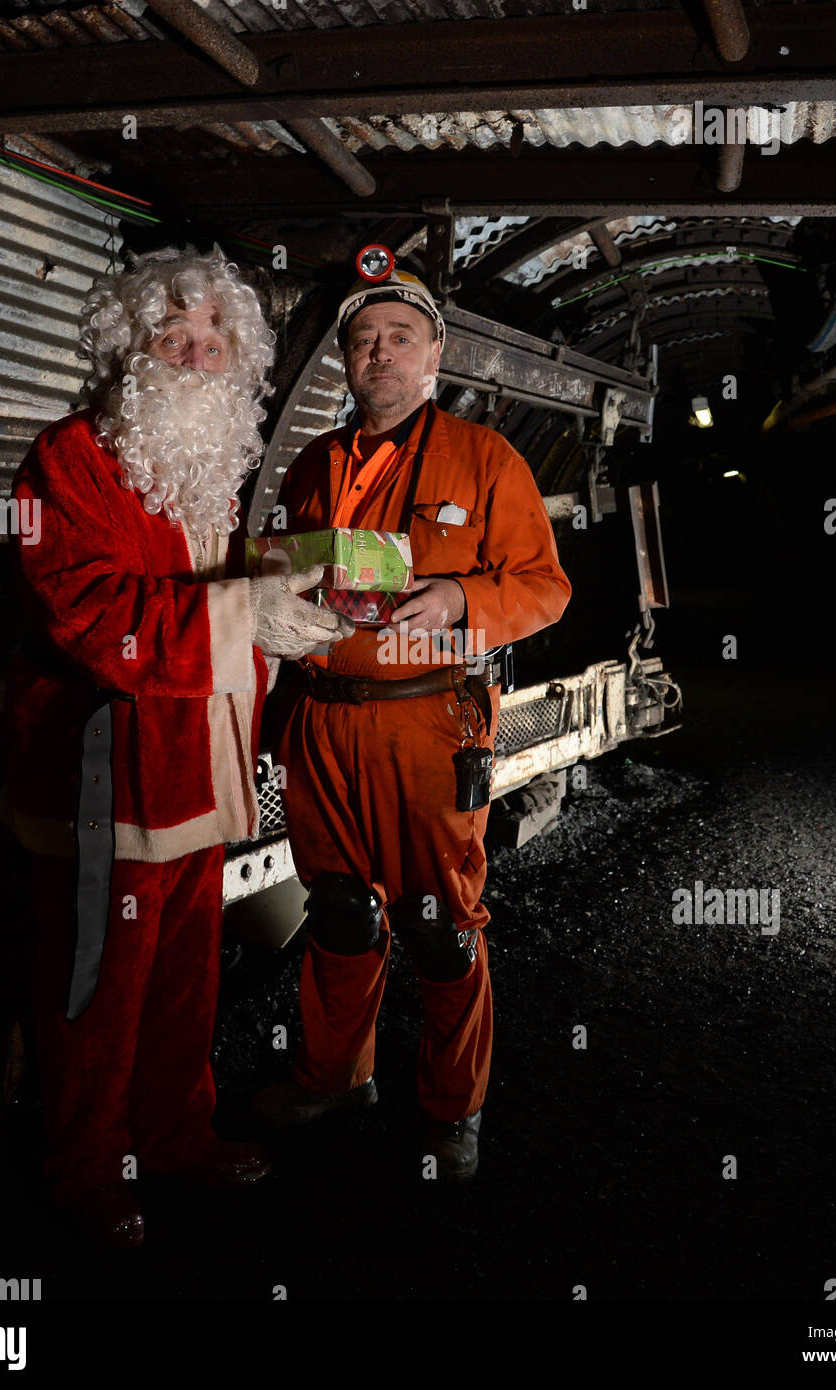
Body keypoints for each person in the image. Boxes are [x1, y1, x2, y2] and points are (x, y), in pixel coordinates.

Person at [0, 246, 352, 1246]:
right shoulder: (69, 457)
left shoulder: (204, 471)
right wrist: (251, 613)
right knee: (96, 988)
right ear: (131, 347)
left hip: (198, 767)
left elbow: (213, 586)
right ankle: (86, 1169)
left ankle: (174, 1134)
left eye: (214, 339)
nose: (196, 356)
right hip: (105, 775)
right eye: (175, 334)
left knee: (185, 976)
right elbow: (91, 614)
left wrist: (304, 582)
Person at [255, 267, 571, 1179]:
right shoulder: (315, 463)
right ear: (347, 363)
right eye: (363, 341)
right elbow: (278, 561)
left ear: (435, 356)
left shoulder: (485, 459)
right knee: (341, 913)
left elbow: (546, 589)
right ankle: (335, 1078)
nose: (379, 353)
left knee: (439, 924)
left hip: (426, 722)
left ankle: (451, 1108)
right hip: (322, 722)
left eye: (400, 337)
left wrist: (462, 597)